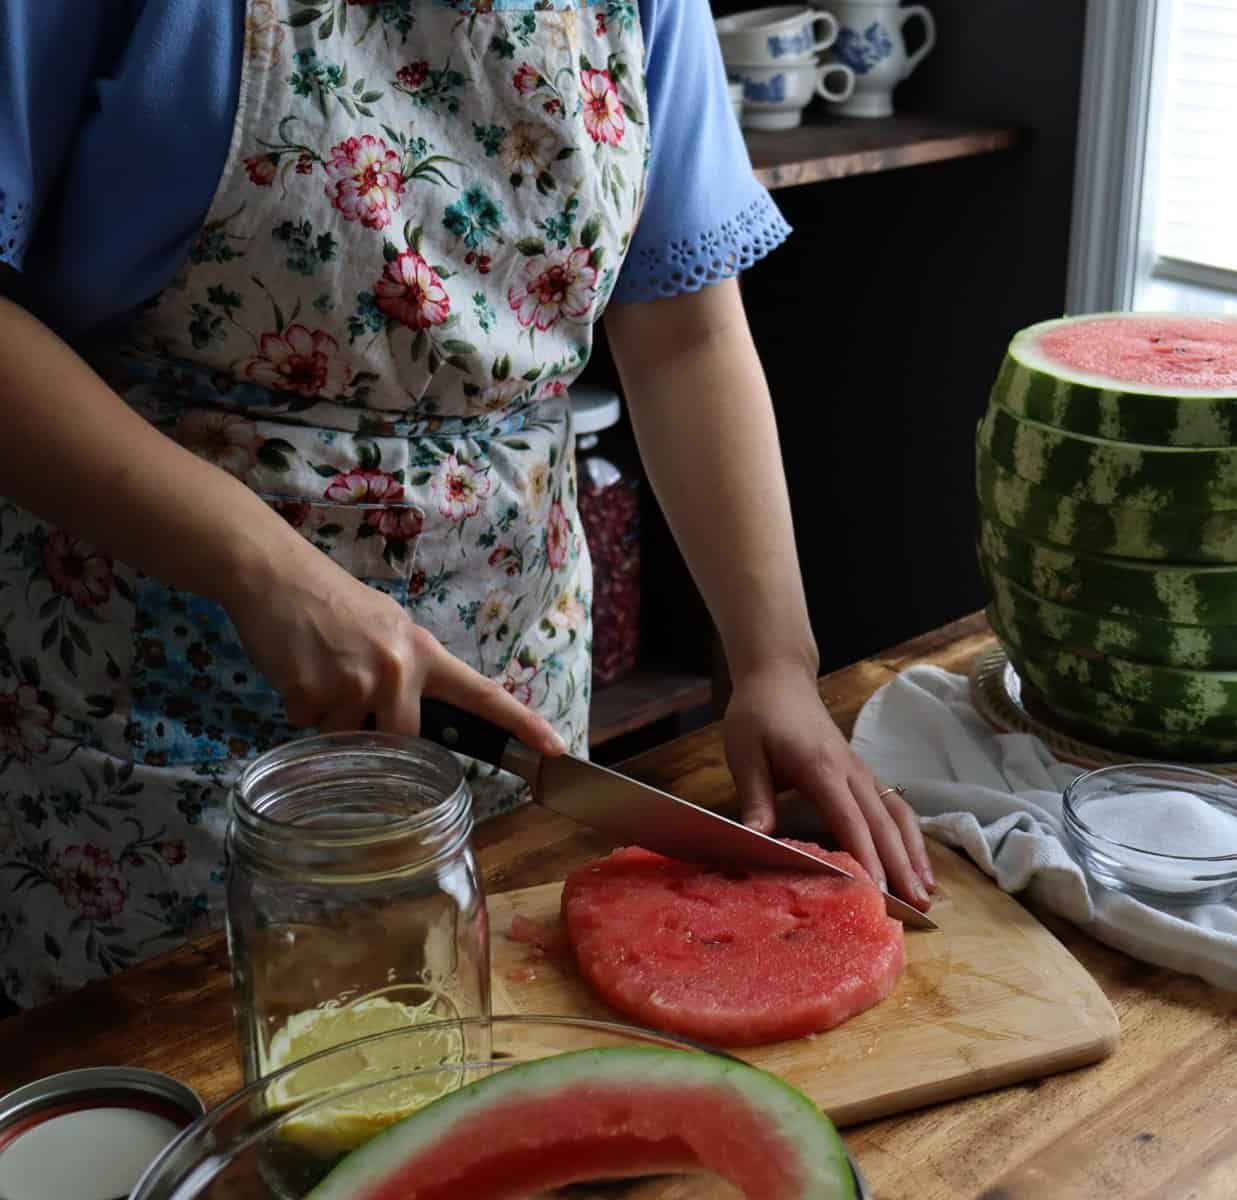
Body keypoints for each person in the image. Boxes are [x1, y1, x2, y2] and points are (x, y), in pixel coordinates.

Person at [0, 0, 933, 1008]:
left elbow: (684, 337)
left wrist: (775, 665)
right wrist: (258, 565)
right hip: (157, 706)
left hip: (513, 695)